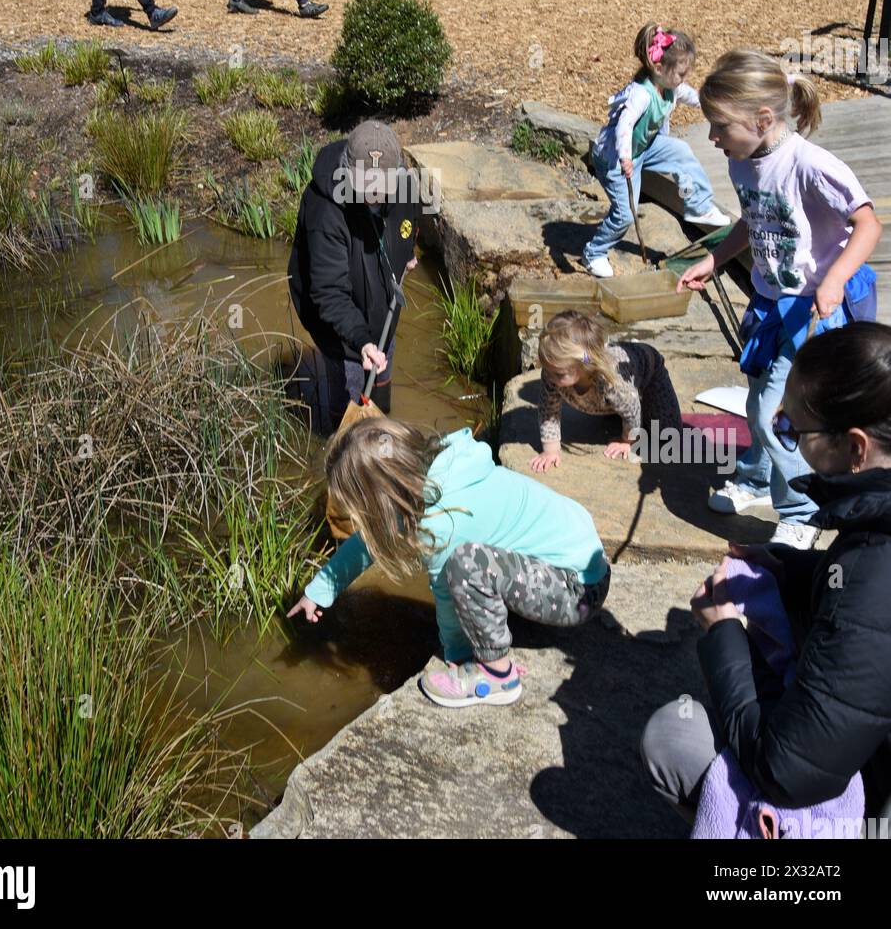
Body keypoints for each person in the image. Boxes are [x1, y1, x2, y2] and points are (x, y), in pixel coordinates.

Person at [642, 322, 891, 831]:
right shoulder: (874, 533)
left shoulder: (872, 575)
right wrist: (798, 570)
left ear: (857, 449)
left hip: (860, 787)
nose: (785, 439)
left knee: (672, 737)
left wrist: (724, 635)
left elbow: (788, 771)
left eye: (791, 432)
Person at [678, 49, 881, 549]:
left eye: (719, 126)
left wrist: (833, 279)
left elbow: (868, 223)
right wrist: (715, 258)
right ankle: (754, 480)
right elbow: (752, 220)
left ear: (762, 119)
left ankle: (801, 509)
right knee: (756, 400)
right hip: (771, 301)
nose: (712, 138)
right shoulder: (744, 161)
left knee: (779, 411)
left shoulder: (810, 165)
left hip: (814, 307)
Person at [288, 417, 611, 708]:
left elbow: (446, 592)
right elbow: (369, 543)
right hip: (582, 561)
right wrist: (321, 589)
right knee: (471, 563)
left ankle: (499, 676)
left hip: (576, 592)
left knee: (466, 565)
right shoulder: (442, 467)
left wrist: (456, 655)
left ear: (379, 501)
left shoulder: (442, 521)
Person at [287, 121, 422, 428]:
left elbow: (409, 224)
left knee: (381, 369)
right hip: (336, 321)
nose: (374, 193)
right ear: (348, 173)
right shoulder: (325, 211)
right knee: (349, 390)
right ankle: (343, 440)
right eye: (366, 185)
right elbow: (329, 292)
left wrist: (406, 255)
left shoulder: (406, 186)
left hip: (381, 305)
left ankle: (382, 421)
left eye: (382, 186)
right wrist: (361, 341)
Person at [583, 22, 730, 278]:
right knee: (625, 215)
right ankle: (593, 253)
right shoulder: (641, 94)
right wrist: (626, 157)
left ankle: (698, 205)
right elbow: (624, 125)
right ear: (659, 68)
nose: (684, 79)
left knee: (681, 151)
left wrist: (718, 107)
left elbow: (696, 99)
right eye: (681, 74)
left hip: (645, 149)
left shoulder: (671, 86)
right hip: (616, 159)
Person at [529, 309, 682, 472]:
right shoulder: (552, 374)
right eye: (547, 369)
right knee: (617, 407)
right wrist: (550, 451)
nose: (549, 377)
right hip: (618, 385)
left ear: (582, 366)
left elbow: (633, 409)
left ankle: (633, 400)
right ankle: (620, 409)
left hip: (649, 372)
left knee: (668, 435)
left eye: (558, 373)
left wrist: (626, 441)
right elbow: (548, 411)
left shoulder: (610, 382)